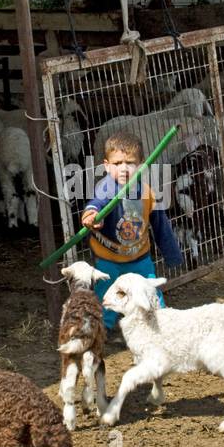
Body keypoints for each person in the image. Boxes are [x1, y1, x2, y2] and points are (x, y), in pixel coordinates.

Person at [81, 130, 184, 340]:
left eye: (130, 162)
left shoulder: (147, 194)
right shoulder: (106, 190)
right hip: (109, 259)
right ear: (107, 165)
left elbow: (161, 227)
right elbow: (95, 205)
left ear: (141, 164)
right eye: (117, 163)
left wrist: (173, 255)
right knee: (106, 296)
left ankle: (161, 326)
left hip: (139, 258)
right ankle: (103, 330)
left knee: (151, 292)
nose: (124, 168)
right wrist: (91, 215)